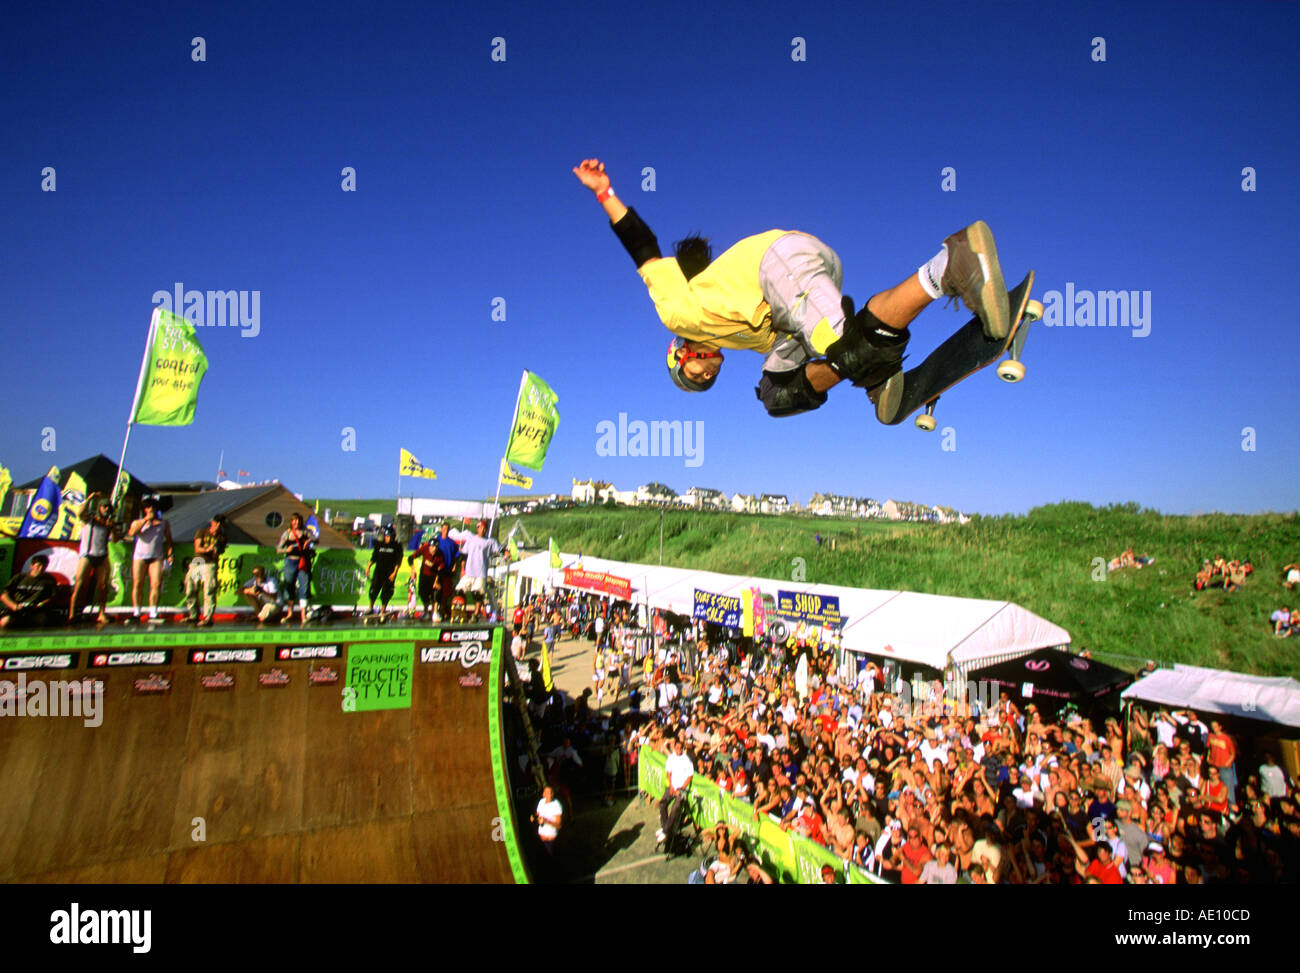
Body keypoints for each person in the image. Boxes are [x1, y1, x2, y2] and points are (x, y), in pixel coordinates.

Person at [573, 157, 1012, 421]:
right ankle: (872, 369)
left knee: (839, 342)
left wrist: (604, 192)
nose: (708, 376)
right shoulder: (745, 340)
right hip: (794, 302)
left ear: (681, 353)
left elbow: (643, 248)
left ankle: (949, 265)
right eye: (708, 382)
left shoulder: (677, 312)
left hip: (778, 265)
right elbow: (780, 367)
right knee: (775, 394)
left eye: (696, 375)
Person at [68, 493, 118, 625]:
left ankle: (102, 614)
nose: (107, 509)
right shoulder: (89, 519)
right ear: (100, 507)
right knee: (79, 584)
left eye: (109, 508)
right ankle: (72, 614)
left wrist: (113, 528)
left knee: (102, 586)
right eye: (104, 507)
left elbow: (115, 540)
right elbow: (80, 512)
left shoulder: (108, 523)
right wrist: (90, 498)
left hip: (101, 555)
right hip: (87, 555)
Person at [126, 495, 173, 624]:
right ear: (144, 509)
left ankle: (153, 612)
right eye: (147, 507)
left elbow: (168, 539)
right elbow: (132, 533)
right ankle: (136, 612)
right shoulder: (138, 522)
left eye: (152, 507)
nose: (150, 509)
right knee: (138, 583)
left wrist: (170, 554)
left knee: (156, 584)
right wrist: (146, 520)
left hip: (156, 556)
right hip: (140, 556)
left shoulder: (164, 523)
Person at [448, 519, 505, 610]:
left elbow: (500, 549)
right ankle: (462, 610)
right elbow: (463, 554)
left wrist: (506, 552)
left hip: (481, 572)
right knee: (459, 591)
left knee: (477, 593)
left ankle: (476, 612)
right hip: (470, 571)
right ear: (477, 528)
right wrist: (463, 569)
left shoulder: (490, 541)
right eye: (480, 528)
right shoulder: (471, 539)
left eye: (484, 528)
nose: (482, 530)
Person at [185, 513, 227, 625]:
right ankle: (193, 614)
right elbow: (197, 548)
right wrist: (208, 549)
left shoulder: (222, 537)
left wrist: (215, 549)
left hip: (210, 563)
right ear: (212, 522)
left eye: (220, 523)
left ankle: (208, 617)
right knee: (190, 588)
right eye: (216, 522)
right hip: (198, 561)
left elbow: (219, 553)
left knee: (209, 590)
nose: (218, 525)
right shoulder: (202, 532)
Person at [277, 512, 315, 624]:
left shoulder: (306, 532)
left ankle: (303, 615)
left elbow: (316, 539)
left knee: (304, 586)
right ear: (291, 522)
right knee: (289, 586)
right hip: (290, 562)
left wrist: (309, 541)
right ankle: (290, 613)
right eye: (294, 520)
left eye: (298, 520)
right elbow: (278, 549)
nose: (296, 522)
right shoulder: (287, 533)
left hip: (303, 562)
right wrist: (286, 550)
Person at [0, 555, 57, 628]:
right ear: (31, 566)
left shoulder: (49, 580)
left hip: (35, 609)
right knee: (6, 621)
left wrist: (41, 604)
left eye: (44, 566)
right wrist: (14, 606)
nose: (41, 568)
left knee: (41, 620)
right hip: (16, 607)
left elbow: (53, 597)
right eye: (38, 566)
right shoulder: (19, 577)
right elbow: (3, 596)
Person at [656, 738, 695, 846]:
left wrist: (681, 788)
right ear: (674, 748)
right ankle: (665, 828)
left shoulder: (686, 760)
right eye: (677, 748)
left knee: (675, 807)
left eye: (680, 748)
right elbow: (669, 772)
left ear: (682, 749)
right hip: (672, 787)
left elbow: (690, 776)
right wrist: (671, 786)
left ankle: (665, 831)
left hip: (682, 789)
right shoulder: (671, 758)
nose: (679, 750)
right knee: (662, 804)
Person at [365, 524, 403, 619]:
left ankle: (382, 610)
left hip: (389, 573)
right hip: (379, 571)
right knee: (373, 590)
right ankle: (370, 607)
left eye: (389, 536)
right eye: (386, 536)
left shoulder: (397, 546)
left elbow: (398, 561)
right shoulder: (379, 545)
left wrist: (394, 573)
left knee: (386, 592)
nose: (388, 538)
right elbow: (374, 557)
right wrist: (368, 567)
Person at [406, 532, 446, 619]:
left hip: (434, 576)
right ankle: (426, 612)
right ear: (429, 547)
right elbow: (410, 558)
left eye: (436, 547)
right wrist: (412, 570)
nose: (434, 549)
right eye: (432, 547)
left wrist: (436, 582)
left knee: (436, 592)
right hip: (424, 575)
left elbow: (440, 570)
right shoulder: (424, 549)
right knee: (423, 593)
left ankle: (435, 612)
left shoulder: (440, 554)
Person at [533, 785, 562, 855]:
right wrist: (534, 817)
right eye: (548, 792)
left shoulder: (556, 805)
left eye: (552, 792)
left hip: (550, 840)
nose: (551, 794)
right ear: (544, 794)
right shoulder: (541, 802)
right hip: (541, 838)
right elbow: (538, 814)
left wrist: (546, 821)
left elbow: (559, 826)